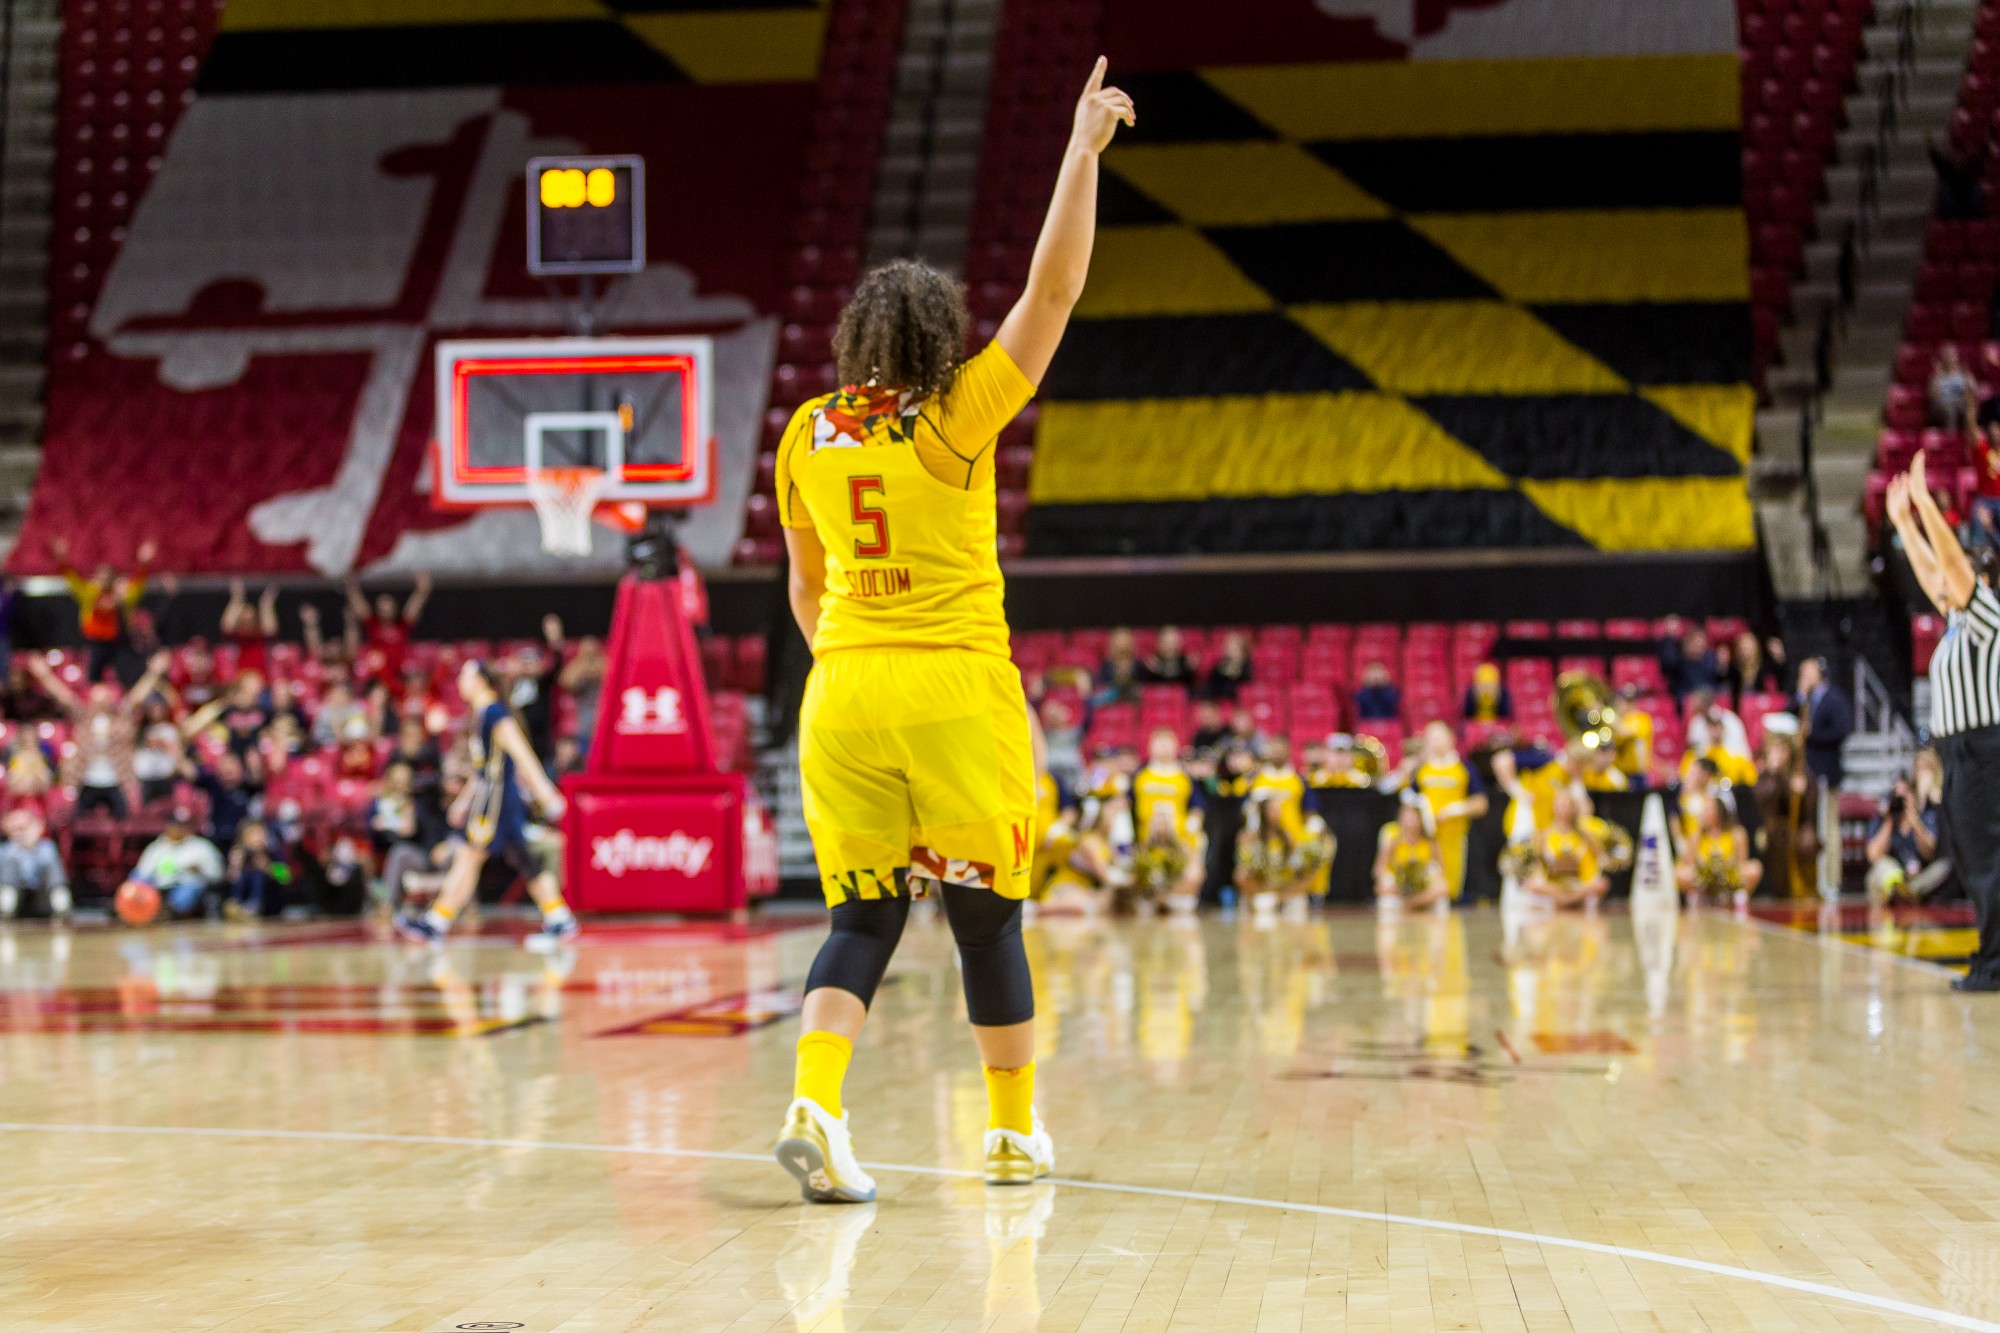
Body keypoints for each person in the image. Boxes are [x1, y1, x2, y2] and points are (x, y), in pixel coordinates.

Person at [769, 58, 1132, 1200]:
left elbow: (801, 583)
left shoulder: (805, 432)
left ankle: (815, 1107)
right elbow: (1054, 294)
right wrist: (1077, 153)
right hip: (953, 691)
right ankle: (1011, 1132)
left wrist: (849, 663)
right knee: (984, 922)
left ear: (854, 343)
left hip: (841, 693)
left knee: (860, 915)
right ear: (935, 341)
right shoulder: (956, 414)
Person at [1887, 454, 2000, 989]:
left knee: (1988, 860)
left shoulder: (1990, 617)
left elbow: (1951, 570)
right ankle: (1990, 956)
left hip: (1987, 749)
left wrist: (1929, 505)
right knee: (1972, 855)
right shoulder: (1959, 620)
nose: (1952, 581)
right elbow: (1937, 573)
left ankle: (1997, 964)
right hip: (1960, 754)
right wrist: (1904, 522)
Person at [395, 660, 574, 947]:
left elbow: (521, 753)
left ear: (480, 680)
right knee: (523, 859)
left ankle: (436, 923)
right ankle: (558, 918)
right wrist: (463, 802)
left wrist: (546, 793)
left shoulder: (494, 712)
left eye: (465, 676)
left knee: (469, 855)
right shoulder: (480, 715)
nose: (460, 682)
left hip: (497, 801)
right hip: (490, 797)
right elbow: (482, 771)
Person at [27, 648, 170, 819]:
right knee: (78, 819)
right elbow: (64, 697)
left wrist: (154, 674)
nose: (100, 702)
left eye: (104, 698)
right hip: (87, 778)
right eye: (96, 698)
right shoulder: (83, 718)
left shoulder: (120, 718)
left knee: (125, 818)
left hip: (116, 778)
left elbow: (136, 697)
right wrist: (45, 676)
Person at [1396, 721, 1487, 903]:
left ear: (1451, 739)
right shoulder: (1421, 769)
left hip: (1454, 836)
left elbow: (1481, 803)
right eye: (1430, 738)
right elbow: (1407, 799)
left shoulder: (1465, 768)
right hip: (1426, 839)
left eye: (1438, 736)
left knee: (1451, 889)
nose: (1434, 742)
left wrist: (1456, 809)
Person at [52, 536, 154, 685]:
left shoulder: (122, 595)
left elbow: (137, 587)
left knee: (126, 678)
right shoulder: (90, 593)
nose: (104, 579)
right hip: (95, 643)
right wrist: (62, 559)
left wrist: (144, 564)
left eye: (108, 576)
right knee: (93, 678)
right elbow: (73, 581)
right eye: (101, 575)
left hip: (119, 643)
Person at [1751, 729, 1820, 899]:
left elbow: (1809, 810)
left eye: (1783, 749)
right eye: (1775, 749)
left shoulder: (1801, 773)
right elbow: (1763, 801)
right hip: (1774, 827)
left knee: (1806, 842)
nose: (1779, 754)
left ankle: (1806, 887)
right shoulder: (1766, 775)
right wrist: (1775, 775)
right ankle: (1778, 890)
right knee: (1774, 838)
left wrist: (1800, 792)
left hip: (1798, 826)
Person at [131, 806, 226, 918]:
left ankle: (170, 911)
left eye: (181, 825)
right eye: (174, 825)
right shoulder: (157, 847)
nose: (177, 829)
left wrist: (200, 870)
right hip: (158, 887)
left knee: (189, 889)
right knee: (136, 878)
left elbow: (218, 875)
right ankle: (135, 909)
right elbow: (142, 872)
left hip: (186, 884)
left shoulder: (202, 847)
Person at [1523, 788, 1608, 910]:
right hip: (1553, 886)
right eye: (1560, 805)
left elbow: (1601, 860)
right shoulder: (1544, 835)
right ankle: (1567, 899)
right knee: (1532, 884)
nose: (1564, 810)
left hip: (1579, 885)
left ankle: (1569, 899)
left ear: (1574, 808)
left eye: (1568, 806)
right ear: (1554, 807)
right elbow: (1537, 867)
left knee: (1600, 884)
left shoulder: (1587, 833)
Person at [345, 572, 431, 689]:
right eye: (382, 607)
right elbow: (361, 608)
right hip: (378, 674)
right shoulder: (374, 624)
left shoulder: (402, 625)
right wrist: (352, 589)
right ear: (377, 609)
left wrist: (422, 591)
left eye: (388, 607)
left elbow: (412, 609)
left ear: (394, 608)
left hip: (399, 674)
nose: (386, 610)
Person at [1677, 792, 1761, 909]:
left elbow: (1742, 862)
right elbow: (1689, 863)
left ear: (1720, 811)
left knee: (1755, 867)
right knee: (1680, 871)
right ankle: (1699, 895)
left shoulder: (1736, 833)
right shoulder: (1696, 835)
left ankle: (1738, 896)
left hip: (1728, 877)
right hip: (1704, 879)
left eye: (1708, 810)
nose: (1704, 813)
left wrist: (1729, 866)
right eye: (1704, 810)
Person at [1374, 795, 1447, 909]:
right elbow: (1379, 871)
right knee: (1385, 896)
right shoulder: (1393, 840)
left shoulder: (1431, 842)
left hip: (1424, 891)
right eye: (1407, 816)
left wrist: (1419, 893)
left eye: (1414, 816)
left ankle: (1414, 905)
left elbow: (1442, 876)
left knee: (1441, 893)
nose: (1410, 820)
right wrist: (1399, 888)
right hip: (1399, 890)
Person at [1793, 656, 1853, 789]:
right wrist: (1800, 695)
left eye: (1808, 672)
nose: (1805, 676)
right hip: (1805, 769)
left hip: (1826, 767)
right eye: (1802, 673)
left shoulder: (1834, 698)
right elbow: (1789, 714)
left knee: (1826, 808)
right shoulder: (1803, 699)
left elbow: (1841, 730)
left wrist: (1812, 733)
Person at [0, 808, 68, 921]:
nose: (20, 833)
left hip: (41, 900)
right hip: (17, 902)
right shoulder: (5, 850)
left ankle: (62, 905)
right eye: (15, 829)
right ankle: (5, 909)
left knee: (52, 866)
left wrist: (31, 846)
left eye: (23, 828)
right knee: (10, 865)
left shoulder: (46, 847)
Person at [224, 819, 291, 920]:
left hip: (269, 903)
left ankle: (255, 905)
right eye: (252, 834)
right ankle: (236, 904)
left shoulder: (273, 853)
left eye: (260, 833)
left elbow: (286, 878)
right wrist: (235, 866)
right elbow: (231, 879)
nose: (257, 838)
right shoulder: (241, 855)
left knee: (258, 875)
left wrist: (268, 867)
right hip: (243, 902)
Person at [220, 579, 279, 679]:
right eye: (244, 619)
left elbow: (271, 629)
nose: (248, 622)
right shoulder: (237, 638)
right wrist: (236, 599)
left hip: (261, 680)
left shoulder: (261, 637)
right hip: (241, 679)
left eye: (251, 619)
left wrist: (266, 606)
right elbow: (227, 625)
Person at [1200, 630, 1252, 702]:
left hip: (1237, 703)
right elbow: (1211, 684)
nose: (1230, 648)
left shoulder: (1247, 665)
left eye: (1234, 645)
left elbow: (1246, 685)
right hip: (1218, 702)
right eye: (1228, 645)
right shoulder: (1221, 664)